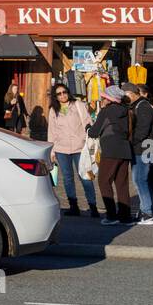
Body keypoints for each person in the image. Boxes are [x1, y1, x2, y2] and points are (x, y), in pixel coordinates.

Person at [48, 83, 98, 218]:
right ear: (55, 96)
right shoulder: (53, 110)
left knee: (87, 176)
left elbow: (88, 123)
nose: (62, 95)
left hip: (80, 148)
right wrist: (52, 151)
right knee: (68, 178)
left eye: (64, 92)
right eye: (59, 94)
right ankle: (73, 206)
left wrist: (88, 142)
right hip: (61, 149)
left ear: (68, 92)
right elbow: (51, 131)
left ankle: (93, 206)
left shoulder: (78, 105)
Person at [90, 85, 134, 225]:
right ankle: (125, 217)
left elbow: (94, 132)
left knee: (104, 181)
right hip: (125, 149)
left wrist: (88, 128)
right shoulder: (128, 111)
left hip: (110, 149)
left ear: (109, 99)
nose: (102, 99)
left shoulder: (106, 111)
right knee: (122, 184)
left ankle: (111, 215)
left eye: (104, 97)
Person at [126, 83, 153, 224]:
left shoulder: (143, 107)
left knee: (141, 180)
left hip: (145, 147)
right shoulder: (143, 106)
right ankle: (152, 212)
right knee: (148, 180)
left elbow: (142, 131)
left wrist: (129, 142)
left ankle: (148, 213)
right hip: (148, 147)